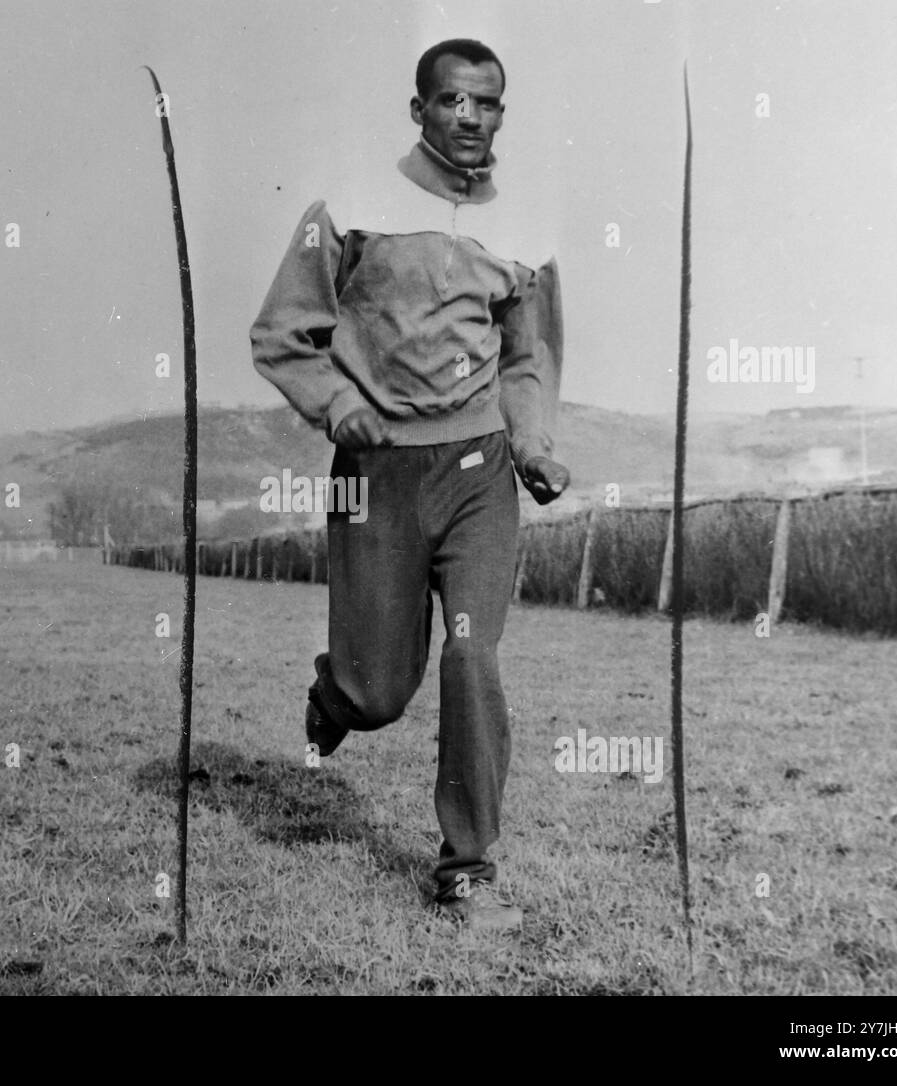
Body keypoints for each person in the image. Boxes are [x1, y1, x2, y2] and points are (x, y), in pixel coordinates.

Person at [250, 38, 570, 932]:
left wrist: (535, 444)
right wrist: (334, 403)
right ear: (420, 108)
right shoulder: (346, 209)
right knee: (379, 690)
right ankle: (335, 696)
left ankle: (466, 871)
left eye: (488, 104)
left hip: (477, 473)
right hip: (373, 478)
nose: (470, 118)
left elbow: (530, 359)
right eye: (452, 102)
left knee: (472, 656)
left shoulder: (528, 228)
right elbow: (282, 333)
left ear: (502, 112)